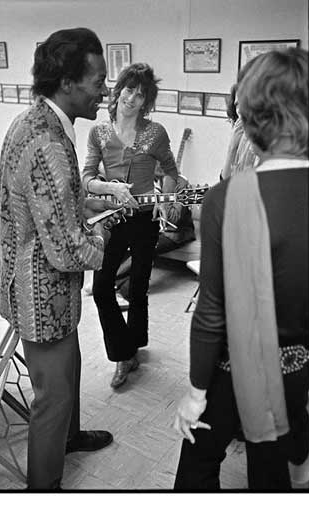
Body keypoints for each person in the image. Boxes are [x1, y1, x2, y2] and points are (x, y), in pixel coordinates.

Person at [173, 48, 309, 490]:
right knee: (270, 473)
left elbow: (212, 310)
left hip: (233, 371)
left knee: (196, 470)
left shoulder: (226, 197)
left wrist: (195, 393)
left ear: (250, 116)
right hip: (296, 370)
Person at [0, 27, 119, 490]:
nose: (105, 91)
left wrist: (85, 202)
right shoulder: (48, 142)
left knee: (70, 368)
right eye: (99, 80)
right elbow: (66, 249)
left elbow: (44, 199)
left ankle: (71, 435)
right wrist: (104, 233)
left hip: (31, 282)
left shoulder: (33, 122)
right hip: (40, 296)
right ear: (67, 82)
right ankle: (43, 488)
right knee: (52, 395)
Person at [83, 63, 179, 389]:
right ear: (118, 90)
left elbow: (169, 170)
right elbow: (86, 179)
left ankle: (133, 349)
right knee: (101, 288)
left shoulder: (155, 133)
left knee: (139, 286)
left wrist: (166, 199)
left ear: (146, 102)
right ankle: (123, 351)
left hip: (145, 218)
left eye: (141, 95)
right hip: (112, 220)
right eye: (129, 90)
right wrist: (111, 188)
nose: (132, 99)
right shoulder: (99, 132)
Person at [113, 167, 198, 302]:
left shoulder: (179, 182)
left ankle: (117, 284)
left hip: (174, 233)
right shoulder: (149, 181)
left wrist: (165, 196)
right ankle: (119, 285)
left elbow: (174, 219)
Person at [220, 79, 259, 180]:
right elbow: (225, 181)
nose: (240, 110)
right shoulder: (241, 136)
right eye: (237, 104)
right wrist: (232, 147)